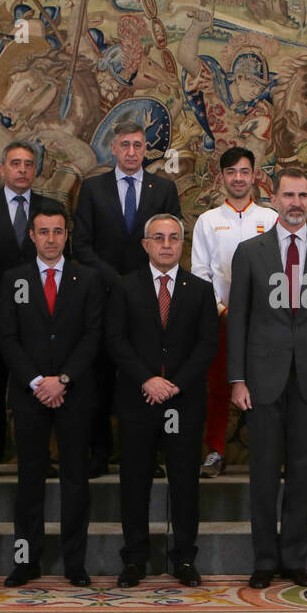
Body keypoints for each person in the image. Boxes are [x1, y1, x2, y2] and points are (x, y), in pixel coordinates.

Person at [227, 168, 307, 589]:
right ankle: (264, 560)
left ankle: (295, 558)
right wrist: (237, 379)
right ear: (273, 198)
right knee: (262, 470)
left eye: (302, 196)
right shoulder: (249, 252)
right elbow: (237, 321)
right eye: (288, 195)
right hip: (260, 378)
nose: (295, 202)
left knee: (302, 470)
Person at [107, 214, 219, 587]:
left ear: (182, 244)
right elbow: (116, 341)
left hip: (183, 402)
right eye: (159, 238)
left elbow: (207, 346)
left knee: (185, 482)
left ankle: (184, 559)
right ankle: (135, 560)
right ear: (146, 245)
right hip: (138, 399)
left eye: (173, 238)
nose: (167, 244)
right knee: (134, 482)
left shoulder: (201, 290)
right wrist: (148, 379)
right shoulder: (123, 288)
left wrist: (174, 384)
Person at [0, 201, 105, 588]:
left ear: (67, 235)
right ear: (32, 235)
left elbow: (94, 335)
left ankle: (75, 563)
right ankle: (26, 562)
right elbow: (8, 338)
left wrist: (62, 379)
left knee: (76, 481)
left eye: (58, 231)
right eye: (43, 231)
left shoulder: (87, 279)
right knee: (29, 482)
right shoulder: (15, 279)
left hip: (74, 394)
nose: (51, 238)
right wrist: (37, 382)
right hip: (30, 397)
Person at [72, 119, 181, 476]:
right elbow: (81, 245)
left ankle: (148, 458)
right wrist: (116, 281)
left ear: (145, 149)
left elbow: (171, 243)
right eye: (125, 145)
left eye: (138, 145)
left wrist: (136, 283)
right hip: (102, 296)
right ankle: (99, 454)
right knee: (100, 379)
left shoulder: (163, 189)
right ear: (114, 148)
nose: (132, 152)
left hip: (149, 299)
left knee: (145, 375)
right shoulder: (92, 188)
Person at [0, 140, 57, 476]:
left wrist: (28, 295)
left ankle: (37, 461)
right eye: (15, 163)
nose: (21, 169)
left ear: (36, 170)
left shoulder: (50, 209)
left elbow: (59, 260)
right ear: (3, 169)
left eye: (28, 164)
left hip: (39, 315)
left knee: (35, 387)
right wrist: (8, 293)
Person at [190, 146, 278, 478]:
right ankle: (214, 452)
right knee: (218, 388)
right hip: (222, 320)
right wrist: (222, 309)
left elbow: (281, 271)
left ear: (254, 175)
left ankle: (267, 454)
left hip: (266, 323)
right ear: (222, 177)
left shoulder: (270, 219)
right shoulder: (208, 222)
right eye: (231, 173)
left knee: (266, 389)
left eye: (244, 171)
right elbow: (201, 274)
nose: (238, 178)